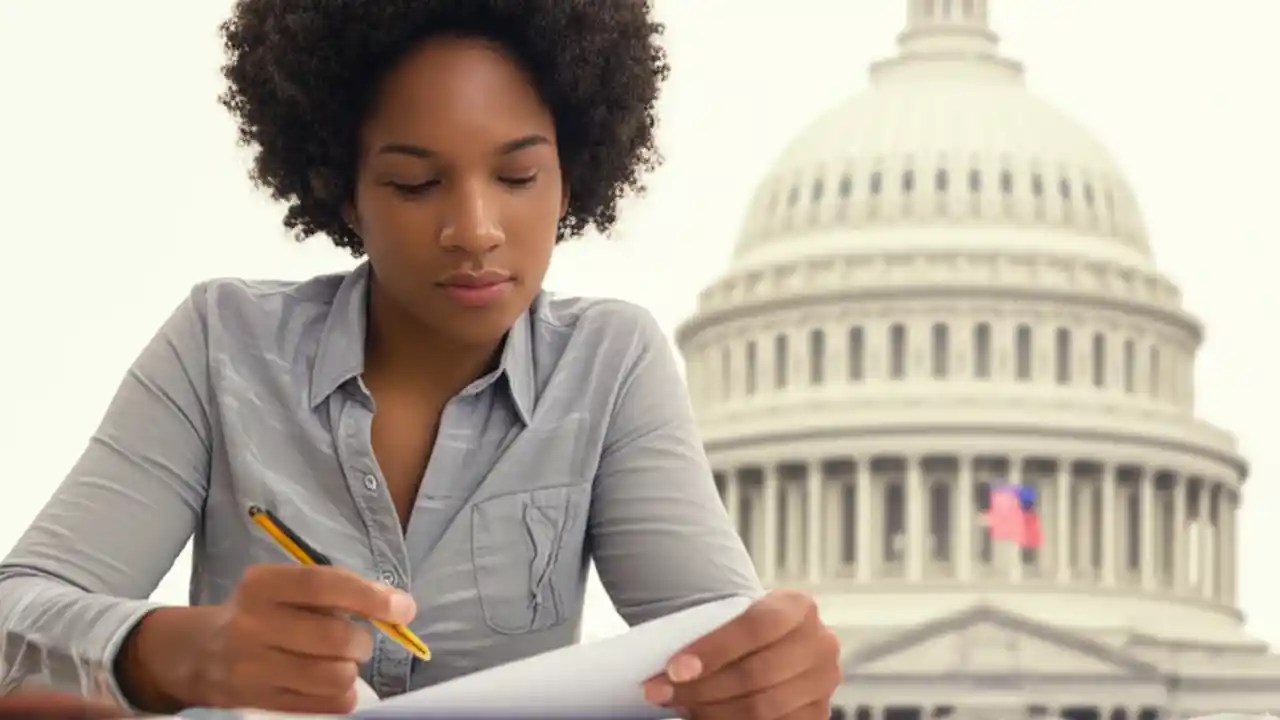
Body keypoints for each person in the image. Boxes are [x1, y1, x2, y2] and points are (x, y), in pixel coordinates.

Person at [0, 0, 841, 717]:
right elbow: (13, 619)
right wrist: (174, 653)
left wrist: (764, 672)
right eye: (412, 184)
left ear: (573, 176)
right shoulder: (221, 342)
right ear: (342, 191)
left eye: (518, 177)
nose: (474, 230)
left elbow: (711, 642)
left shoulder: (610, 364)